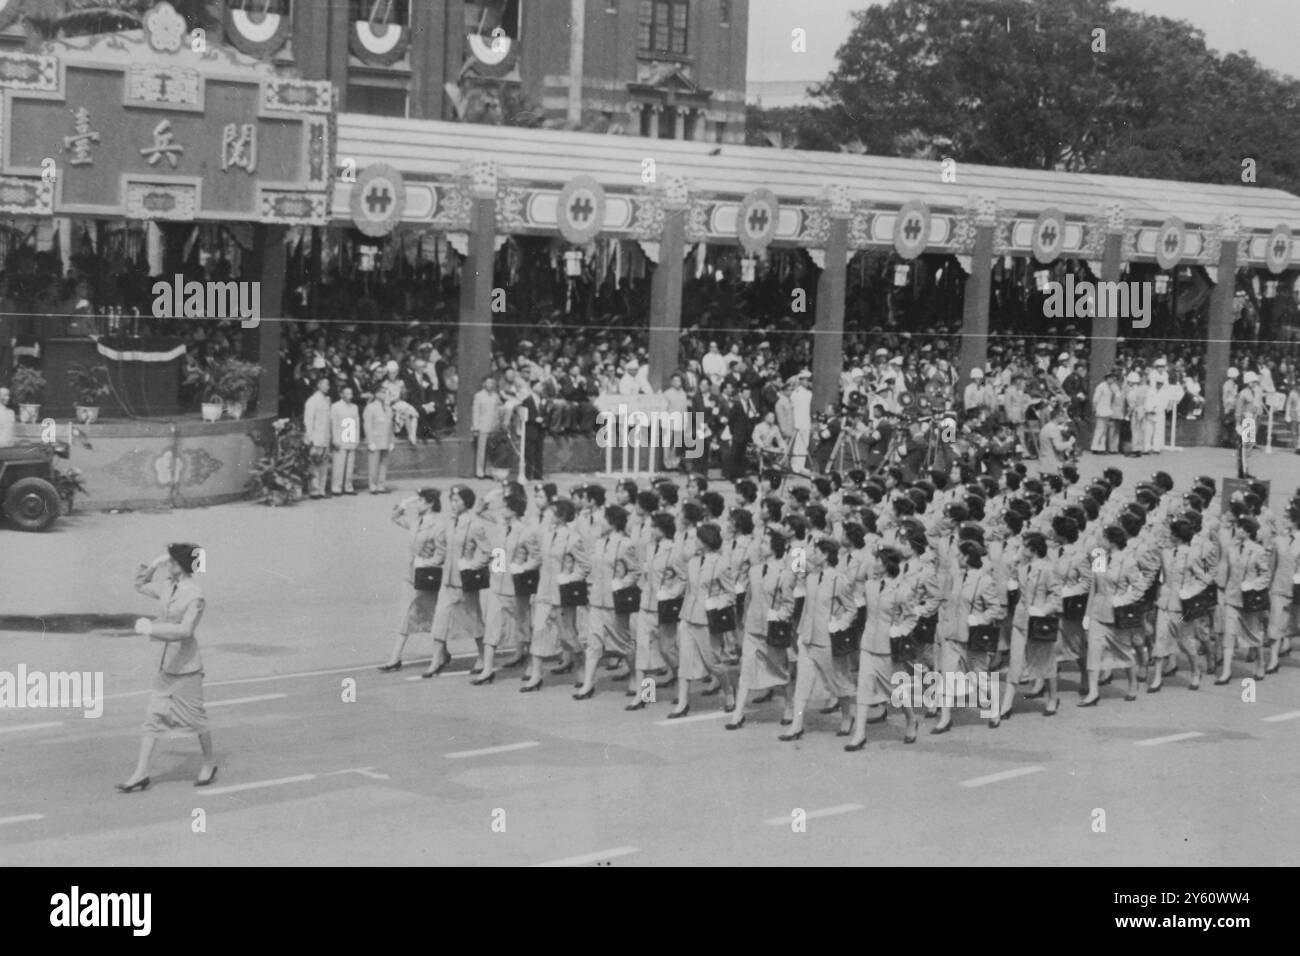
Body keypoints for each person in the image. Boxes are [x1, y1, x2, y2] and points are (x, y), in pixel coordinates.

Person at [119, 543, 216, 792]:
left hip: (187, 667)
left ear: (181, 566)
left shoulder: (195, 595)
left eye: (171, 562)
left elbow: (186, 631)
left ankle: (209, 763)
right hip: (166, 665)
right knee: (152, 718)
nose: (167, 565)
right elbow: (139, 585)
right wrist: (152, 564)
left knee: (196, 720)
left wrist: (152, 628)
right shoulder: (167, 586)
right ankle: (140, 773)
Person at [780, 538, 857, 740]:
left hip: (828, 639)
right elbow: (796, 565)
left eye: (816, 551)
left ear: (824, 555)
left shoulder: (839, 580)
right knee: (802, 683)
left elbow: (851, 609)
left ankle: (847, 717)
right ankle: (797, 725)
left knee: (837, 680)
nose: (812, 554)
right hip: (807, 637)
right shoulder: (812, 577)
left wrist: (840, 624)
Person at [727, 528, 796, 729]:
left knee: (781, 672)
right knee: (746, 671)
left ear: (775, 548)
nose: (761, 546)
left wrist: (779, 615)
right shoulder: (754, 570)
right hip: (753, 628)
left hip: (772, 629)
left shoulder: (785, 574)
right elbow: (748, 597)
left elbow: (789, 605)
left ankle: (789, 707)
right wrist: (743, 619)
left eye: (765, 543)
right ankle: (738, 714)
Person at [521, 499, 591, 693]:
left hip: (563, 594)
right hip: (544, 592)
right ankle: (536, 675)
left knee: (568, 634)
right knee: (539, 631)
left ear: (560, 516)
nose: (548, 515)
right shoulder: (546, 534)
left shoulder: (573, 539)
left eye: (552, 512)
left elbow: (585, 566)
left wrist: (568, 578)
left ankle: (581, 669)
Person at [424, 485, 492, 678]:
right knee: (440, 618)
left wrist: (472, 564)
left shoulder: (474, 525)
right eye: (451, 500)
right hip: (447, 580)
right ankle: (436, 659)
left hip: (465, 581)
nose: (453, 504)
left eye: (457, 501)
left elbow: (487, 551)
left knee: (473, 620)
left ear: (466, 502)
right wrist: (431, 562)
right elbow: (442, 548)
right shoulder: (448, 523)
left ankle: (482, 656)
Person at [669, 523, 736, 718]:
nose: (694, 541)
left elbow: (730, 594)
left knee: (713, 662)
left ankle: (729, 690)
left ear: (705, 541)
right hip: (688, 617)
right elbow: (678, 564)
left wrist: (713, 603)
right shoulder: (692, 562)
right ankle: (682, 703)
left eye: (697, 538)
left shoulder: (722, 564)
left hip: (708, 619)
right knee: (685, 661)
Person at [575, 505, 642, 699]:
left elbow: (635, 571)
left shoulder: (625, 544)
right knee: (593, 642)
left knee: (624, 644)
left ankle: (636, 678)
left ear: (612, 522)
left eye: (603, 519)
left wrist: (621, 583)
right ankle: (588, 684)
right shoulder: (598, 543)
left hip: (616, 601)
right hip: (596, 600)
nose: (599, 523)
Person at [476, 487, 541, 683]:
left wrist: (522, 568)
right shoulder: (500, 526)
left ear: (513, 510)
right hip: (497, 585)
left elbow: (537, 558)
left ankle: (530, 663)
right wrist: (489, 496)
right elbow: (479, 511)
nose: (500, 510)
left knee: (523, 626)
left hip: (516, 587)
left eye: (504, 507)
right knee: (492, 627)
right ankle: (487, 669)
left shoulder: (526, 531)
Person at [379, 488, 445, 671]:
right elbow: (395, 518)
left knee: (432, 616)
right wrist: (403, 503)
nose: (418, 504)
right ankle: (395, 657)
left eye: (421, 501)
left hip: (427, 576)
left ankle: (441, 654)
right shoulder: (416, 522)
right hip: (411, 575)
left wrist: (424, 562)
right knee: (406, 614)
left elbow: (441, 554)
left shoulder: (438, 525)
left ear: (431, 503)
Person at [1079, 525, 1145, 706]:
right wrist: (1087, 614)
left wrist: (1122, 600)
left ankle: (1133, 684)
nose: (1099, 542)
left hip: (1117, 615)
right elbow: (1094, 587)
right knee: (1093, 652)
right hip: (1098, 613)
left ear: (1112, 541)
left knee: (1124, 652)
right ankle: (1093, 693)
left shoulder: (1128, 562)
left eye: (1103, 538)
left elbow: (1140, 588)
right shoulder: (1099, 557)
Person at [1217, 515, 1270, 684]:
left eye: (1240, 527)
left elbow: (1266, 575)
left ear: (1247, 531)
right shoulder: (1232, 548)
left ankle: (1260, 662)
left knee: (1253, 633)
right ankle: (1226, 671)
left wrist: (1253, 584)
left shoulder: (1258, 551)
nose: (1237, 530)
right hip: (1232, 597)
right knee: (1229, 633)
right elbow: (1226, 571)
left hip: (1250, 598)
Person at [303, 377, 332, 498]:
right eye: (325, 384)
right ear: (318, 385)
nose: (327, 387)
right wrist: (309, 437)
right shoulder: (312, 401)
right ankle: (314, 490)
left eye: (328, 384)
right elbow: (308, 420)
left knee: (324, 465)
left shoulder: (326, 400)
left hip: (325, 437)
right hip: (316, 437)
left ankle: (322, 489)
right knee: (314, 464)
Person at [363, 386, 395, 494]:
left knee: (384, 464)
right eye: (381, 392)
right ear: (376, 394)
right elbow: (367, 425)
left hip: (385, 439)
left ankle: (381, 485)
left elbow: (391, 426)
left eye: (385, 392)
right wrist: (370, 441)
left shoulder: (388, 408)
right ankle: (372, 486)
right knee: (373, 464)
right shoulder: (370, 407)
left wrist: (391, 441)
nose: (384, 394)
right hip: (375, 440)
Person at [329, 385, 360, 496]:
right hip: (340, 437)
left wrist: (356, 439)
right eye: (346, 393)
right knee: (339, 464)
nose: (349, 396)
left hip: (351, 437)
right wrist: (335, 439)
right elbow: (334, 424)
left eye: (350, 393)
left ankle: (348, 487)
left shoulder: (354, 407)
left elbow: (356, 424)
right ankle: (336, 488)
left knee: (350, 465)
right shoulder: (335, 406)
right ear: (341, 394)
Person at [471, 375, 500, 479]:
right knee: (481, 450)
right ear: (484, 384)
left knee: (491, 450)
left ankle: (488, 471)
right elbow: (476, 412)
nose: (490, 385)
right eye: (488, 383)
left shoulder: (495, 396)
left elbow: (497, 411)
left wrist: (497, 425)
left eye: (492, 383)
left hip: (493, 427)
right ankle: (479, 472)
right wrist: (476, 427)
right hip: (482, 426)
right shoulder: (478, 396)